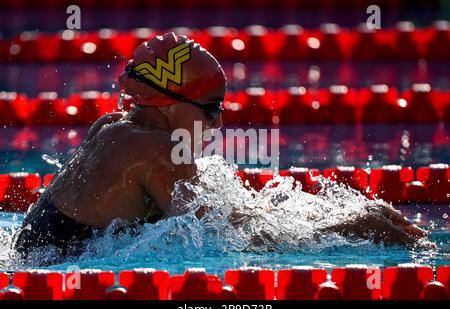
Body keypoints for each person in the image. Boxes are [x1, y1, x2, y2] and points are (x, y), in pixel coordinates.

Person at [14, 32, 429, 261]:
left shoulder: (113, 126)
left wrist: (321, 212)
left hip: (32, 257)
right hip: (60, 270)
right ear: (170, 106)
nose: (219, 121)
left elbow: (224, 216)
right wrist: (351, 229)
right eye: (211, 109)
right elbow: (232, 242)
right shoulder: (158, 152)